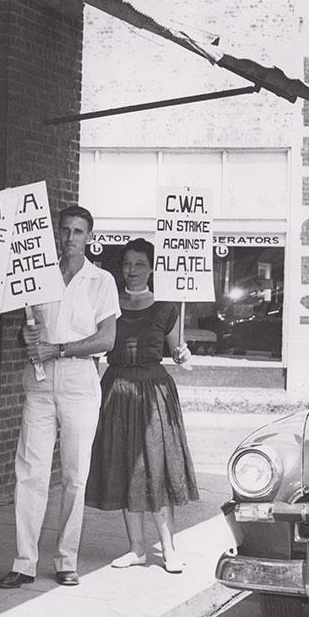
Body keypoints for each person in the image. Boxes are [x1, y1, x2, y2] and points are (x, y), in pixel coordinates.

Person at [0, 205, 119, 589]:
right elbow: (28, 330)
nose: (70, 238)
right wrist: (26, 338)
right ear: (56, 232)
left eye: (78, 232)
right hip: (38, 381)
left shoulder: (101, 281)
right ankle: (24, 561)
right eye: (65, 230)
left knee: (73, 475)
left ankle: (66, 559)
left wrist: (60, 349)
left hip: (80, 380)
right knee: (29, 472)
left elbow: (106, 339)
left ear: (89, 237)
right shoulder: (37, 276)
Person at [85, 237, 198, 574]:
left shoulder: (166, 306)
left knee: (157, 466)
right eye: (126, 264)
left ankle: (168, 549)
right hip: (116, 390)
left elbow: (178, 353)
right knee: (125, 466)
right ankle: (136, 548)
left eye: (139, 264)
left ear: (151, 267)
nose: (131, 271)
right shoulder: (108, 303)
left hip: (154, 391)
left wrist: (183, 354)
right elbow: (95, 347)